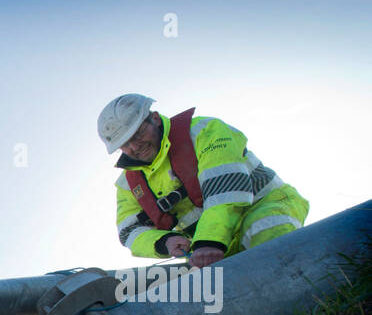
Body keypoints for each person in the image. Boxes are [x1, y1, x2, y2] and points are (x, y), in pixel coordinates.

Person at [98, 94, 308, 270]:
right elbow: (128, 232)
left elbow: (226, 190)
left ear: (154, 118)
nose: (135, 147)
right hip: (209, 246)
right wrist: (165, 241)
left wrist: (208, 242)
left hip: (265, 208)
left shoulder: (204, 131)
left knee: (268, 246)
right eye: (125, 144)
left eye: (138, 134)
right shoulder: (127, 185)